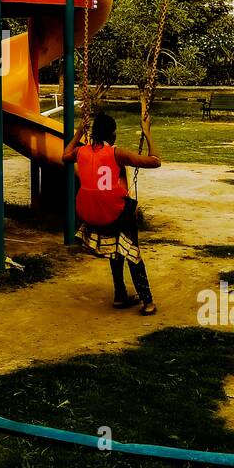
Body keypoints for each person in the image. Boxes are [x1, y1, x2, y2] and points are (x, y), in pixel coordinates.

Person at [63, 98, 162, 315]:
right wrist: (147, 132)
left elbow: (64, 155)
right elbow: (155, 160)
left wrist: (79, 132)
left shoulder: (81, 153)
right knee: (132, 250)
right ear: (113, 134)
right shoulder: (117, 153)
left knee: (116, 250)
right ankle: (147, 301)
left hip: (89, 215)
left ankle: (120, 295)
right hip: (114, 212)